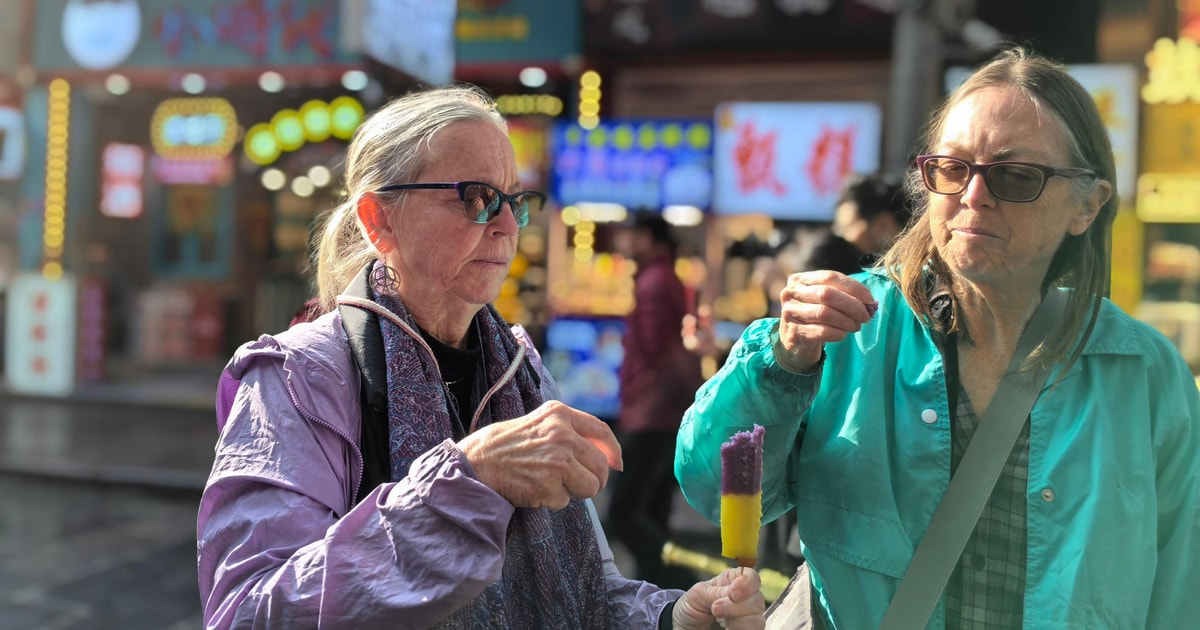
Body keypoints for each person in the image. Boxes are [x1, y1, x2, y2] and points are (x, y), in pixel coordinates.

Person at [197, 85, 765, 629]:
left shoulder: (518, 367)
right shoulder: (297, 377)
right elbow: (250, 611)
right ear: (379, 220)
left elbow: (590, 592)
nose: (506, 226)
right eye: (475, 198)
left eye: (515, 201)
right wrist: (467, 480)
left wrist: (673, 617)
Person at [676, 47, 1200, 629]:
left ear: (1087, 205)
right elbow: (710, 488)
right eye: (953, 168)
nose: (974, 195)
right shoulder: (849, 329)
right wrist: (782, 363)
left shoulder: (1144, 373)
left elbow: (1181, 592)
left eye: (1016, 175)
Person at [607, 210, 706, 589]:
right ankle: (664, 599)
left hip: (651, 414)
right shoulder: (666, 277)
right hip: (665, 411)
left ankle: (684, 583)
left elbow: (658, 352)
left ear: (647, 238)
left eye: (630, 236)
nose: (624, 244)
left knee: (624, 512)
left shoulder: (653, 282)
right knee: (653, 510)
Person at [803, 172, 910, 274]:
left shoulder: (911, 268)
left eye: (849, 227)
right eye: (839, 229)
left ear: (883, 224)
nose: (841, 237)